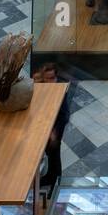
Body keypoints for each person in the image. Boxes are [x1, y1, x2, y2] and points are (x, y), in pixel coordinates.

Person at [37, 62, 71, 190]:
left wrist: (54, 132)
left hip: (56, 127)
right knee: (49, 152)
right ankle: (51, 177)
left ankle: (55, 181)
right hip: (47, 126)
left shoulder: (60, 91)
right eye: (47, 78)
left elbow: (64, 116)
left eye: (52, 78)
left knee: (54, 153)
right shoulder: (42, 87)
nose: (50, 81)